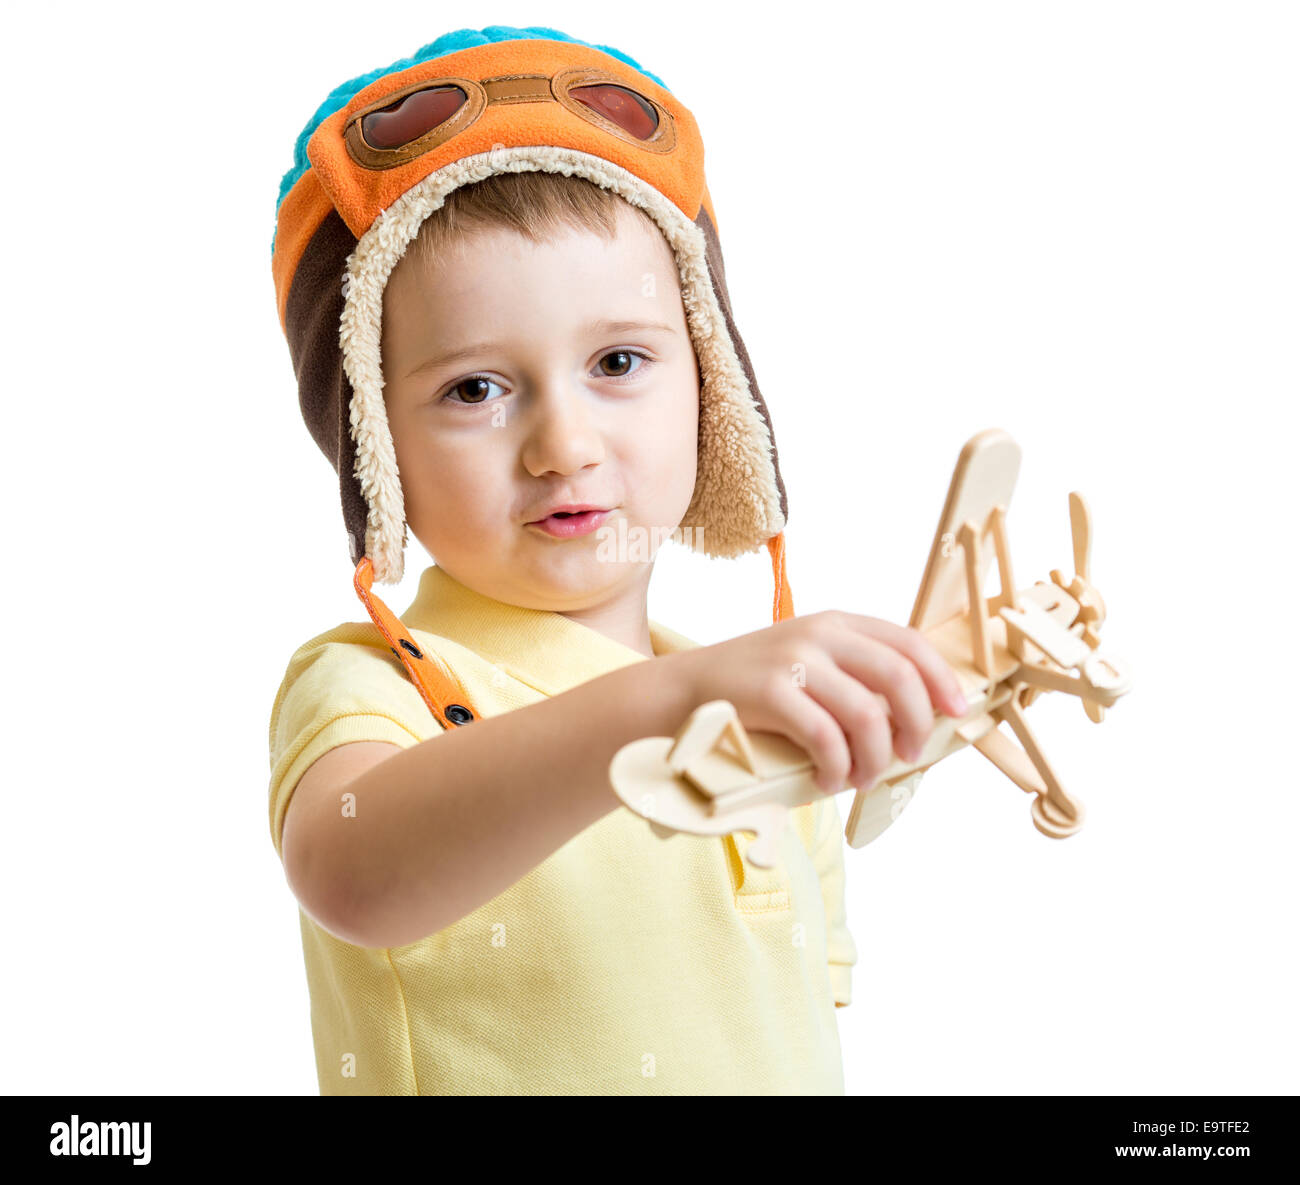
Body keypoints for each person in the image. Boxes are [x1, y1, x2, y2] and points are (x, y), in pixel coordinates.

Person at [268, 24, 968, 1095]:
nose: (564, 446)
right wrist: (666, 699)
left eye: (618, 361)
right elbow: (350, 871)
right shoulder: (379, 686)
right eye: (475, 390)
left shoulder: (758, 711)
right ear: (375, 447)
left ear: (715, 390)